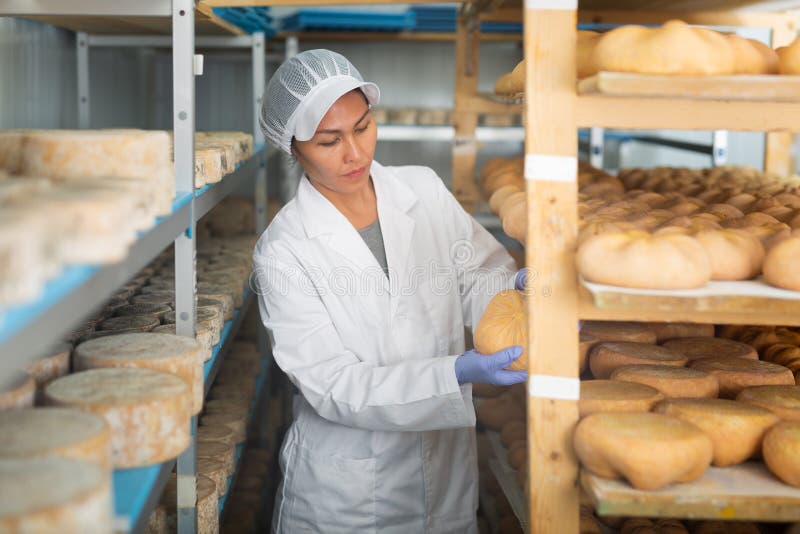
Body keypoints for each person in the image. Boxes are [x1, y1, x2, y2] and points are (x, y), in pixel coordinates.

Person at [253, 49, 527, 534]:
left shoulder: (421, 189)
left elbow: (479, 274)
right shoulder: (284, 250)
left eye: (362, 127)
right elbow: (333, 385)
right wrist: (454, 373)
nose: (355, 153)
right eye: (328, 141)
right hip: (348, 500)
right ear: (292, 147)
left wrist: (514, 295)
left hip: (444, 476)